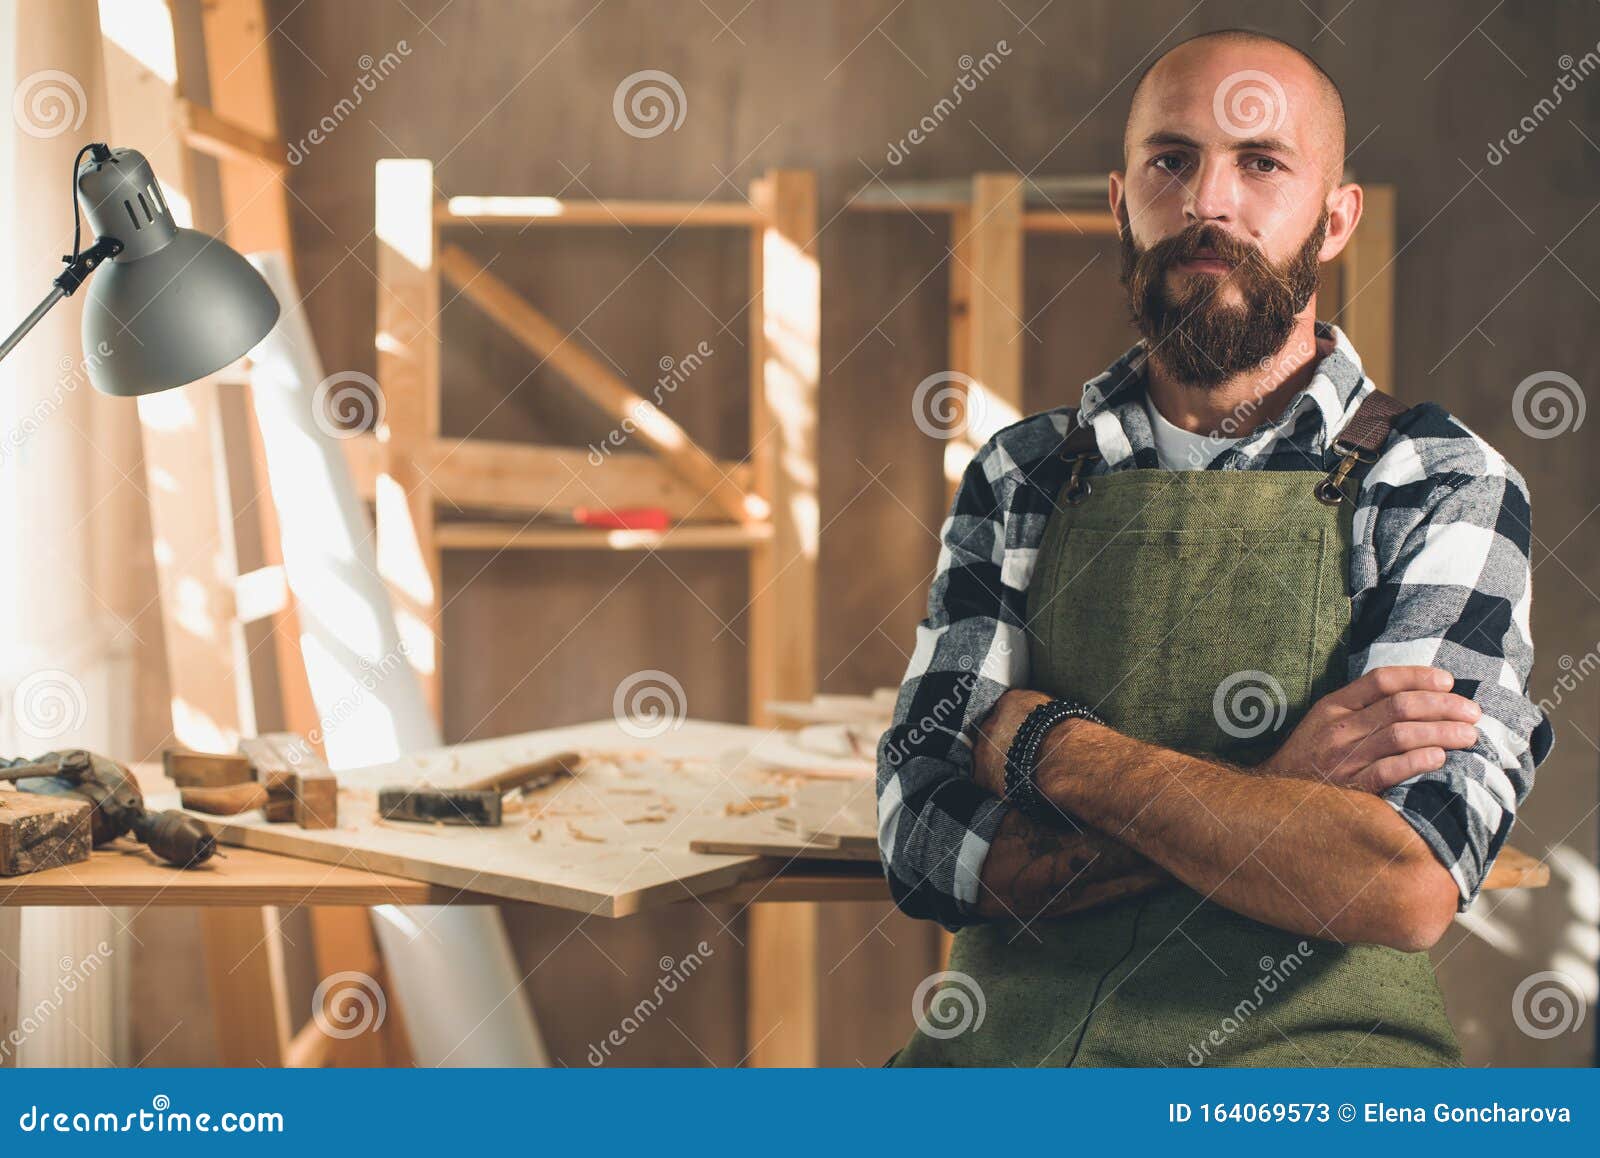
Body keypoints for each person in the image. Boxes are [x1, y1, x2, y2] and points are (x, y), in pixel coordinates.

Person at [877, 27, 1552, 1067]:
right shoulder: (1016, 477)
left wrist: (1047, 745)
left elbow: (1399, 878)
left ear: (1334, 219)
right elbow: (925, 846)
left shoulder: (1439, 485)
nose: (1207, 202)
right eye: (1171, 160)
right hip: (1003, 1054)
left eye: (1261, 163)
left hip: (1312, 1063)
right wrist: (1280, 784)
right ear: (1120, 200)